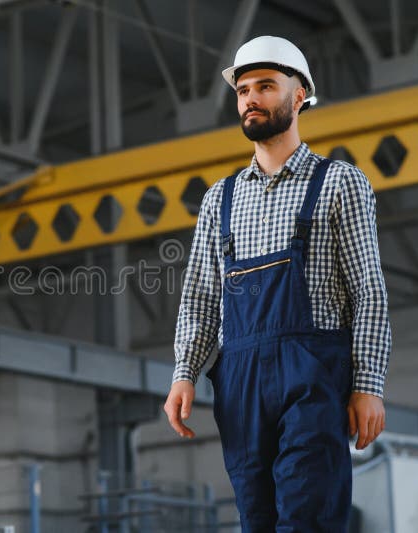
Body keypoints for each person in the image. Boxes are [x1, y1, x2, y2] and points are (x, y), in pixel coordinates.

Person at [163, 35, 391, 532]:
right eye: (243, 90)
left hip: (312, 373)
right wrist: (184, 372)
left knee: (306, 512)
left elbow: (368, 291)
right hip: (240, 379)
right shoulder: (218, 201)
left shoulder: (339, 182)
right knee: (256, 520)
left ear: (300, 94)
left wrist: (368, 384)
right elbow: (202, 298)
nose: (251, 99)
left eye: (266, 86)